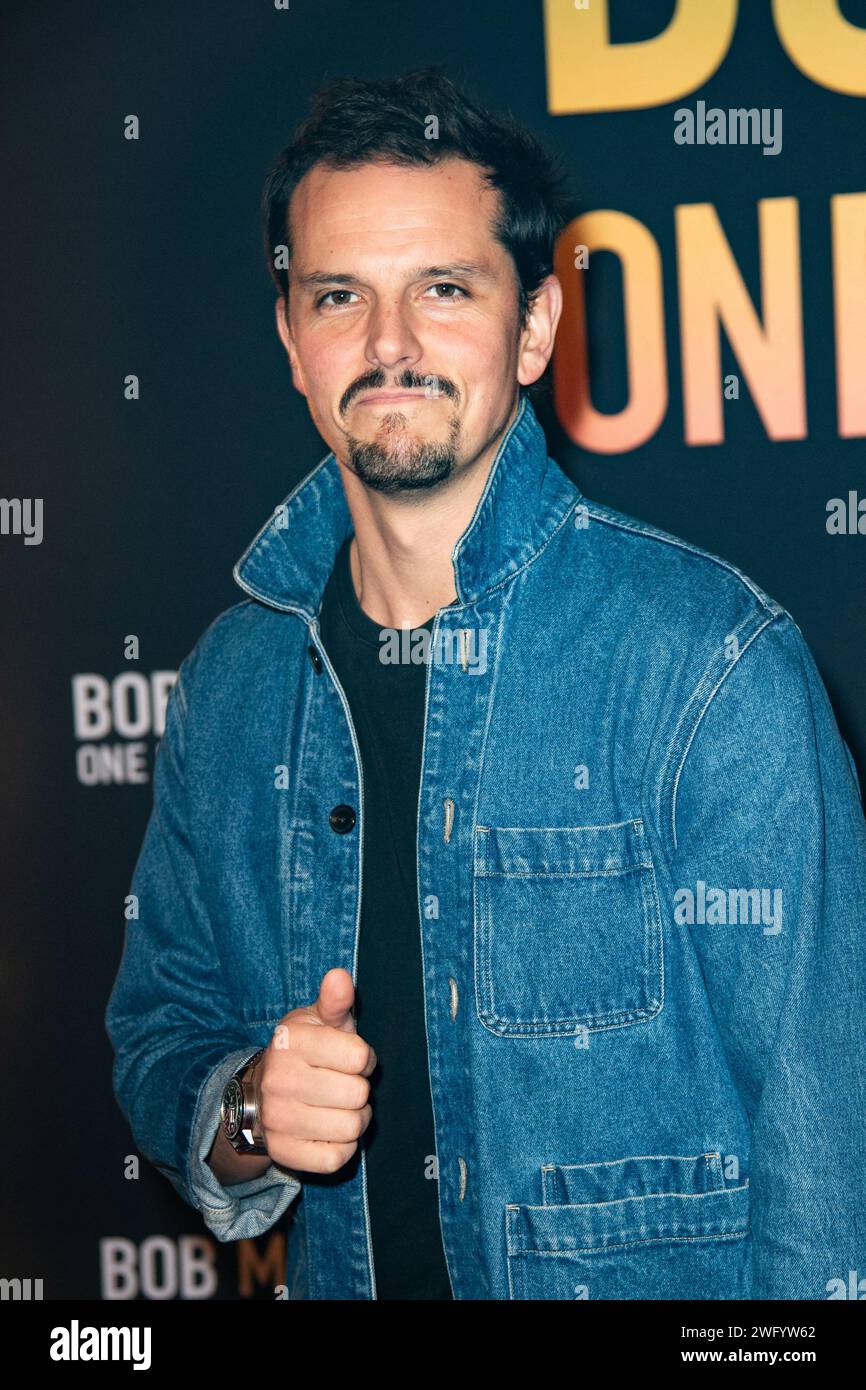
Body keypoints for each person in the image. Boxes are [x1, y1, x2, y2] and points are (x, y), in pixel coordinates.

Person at [105, 67, 866, 1301]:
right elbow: (160, 1028)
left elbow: (834, 1155)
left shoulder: (705, 661)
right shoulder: (230, 691)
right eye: (339, 295)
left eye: (443, 290)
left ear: (533, 329)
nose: (389, 343)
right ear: (290, 336)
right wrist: (245, 1108)